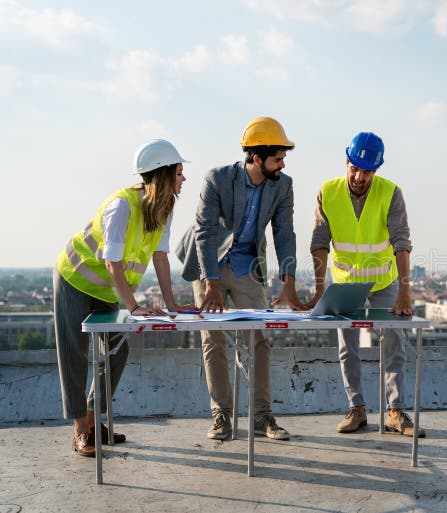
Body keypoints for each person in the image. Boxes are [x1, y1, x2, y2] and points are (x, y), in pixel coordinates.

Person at [55, 139, 195, 457]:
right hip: (75, 278)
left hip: (107, 288)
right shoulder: (122, 206)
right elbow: (112, 262)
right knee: (75, 351)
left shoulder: (166, 207)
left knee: (117, 350)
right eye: (179, 172)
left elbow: (160, 256)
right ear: (163, 174)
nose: (184, 178)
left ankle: (93, 420)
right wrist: (134, 306)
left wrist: (172, 304)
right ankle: (81, 431)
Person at [176, 116, 303, 441]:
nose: (283, 163)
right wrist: (211, 284)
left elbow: (284, 233)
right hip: (211, 263)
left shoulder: (283, 185)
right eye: (278, 158)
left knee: (257, 338)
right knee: (212, 339)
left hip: (248, 265)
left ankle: (262, 417)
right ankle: (221, 416)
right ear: (257, 158)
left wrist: (289, 281)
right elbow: (204, 232)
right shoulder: (217, 179)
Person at [308, 131, 424, 437]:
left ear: (377, 169)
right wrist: (320, 288)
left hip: (384, 281)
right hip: (346, 282)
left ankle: (395, 412)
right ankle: (357, 409)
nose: (359, 177)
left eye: (367, 171)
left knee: (395, 342)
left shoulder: (390, 193)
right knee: (347, 347)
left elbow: (401, 242)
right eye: (355, 168)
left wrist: (404, 292)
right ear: (346, 162)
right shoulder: (328, 192)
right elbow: (319, 242)